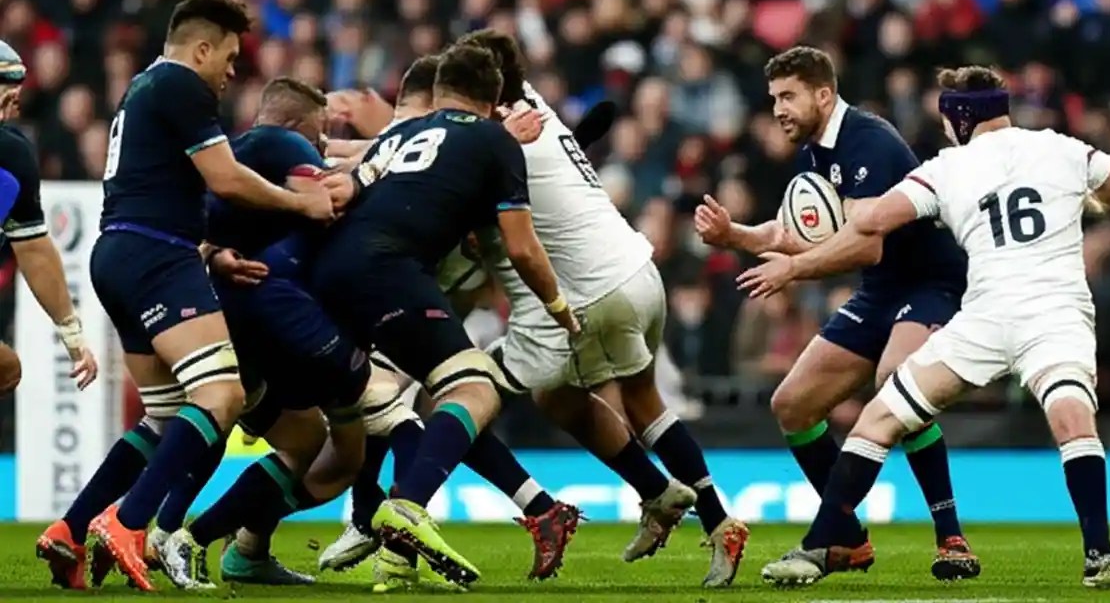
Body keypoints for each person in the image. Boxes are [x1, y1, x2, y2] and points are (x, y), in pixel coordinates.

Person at [760, 65, 1110, 589]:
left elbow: (874, 222)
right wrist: (1087, 202)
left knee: (878, 421)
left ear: (960, 119)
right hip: (1054, 314)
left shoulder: (948, 168)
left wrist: (822, 236)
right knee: (1073, 423)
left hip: (984, 319)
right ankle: (1100, 558)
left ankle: (816, 548)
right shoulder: (1060, 147)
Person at [48, 0, 333, 592]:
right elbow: (226, 180)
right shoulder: (182, 85)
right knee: (223, 395)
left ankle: (71, 530)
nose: (232, 73)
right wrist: (298, 201)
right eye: (228, 58)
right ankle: (128, 524)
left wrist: (210, 253)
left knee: (164, 415)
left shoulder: (144, 90)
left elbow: (163, 186)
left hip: (119, 252)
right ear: (201, 49)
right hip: (156, 256)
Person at [459, 29, 749, 587]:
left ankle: (650, 500)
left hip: (594, 293)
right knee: (588, 399)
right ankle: (696, 511)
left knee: (464, 394)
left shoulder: (497, 138)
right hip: (638, 270)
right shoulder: (536, 106)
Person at [697, 46, 978, 579]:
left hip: (931, 282)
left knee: (897, 380)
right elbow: (790, 233)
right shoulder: (814, 152)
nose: (777, 108)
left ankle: (950, 538)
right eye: (773, 98)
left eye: (788, 96)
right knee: (793, 405)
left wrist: (792, 271)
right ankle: (847, 540)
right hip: (881, 290)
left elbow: (864, 244)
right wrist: (733, 234)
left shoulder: (866, 142)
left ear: (823, 94)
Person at [310, 44, 577, 587]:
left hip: (329, 272)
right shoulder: (494, 139)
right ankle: (400, 511)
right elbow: (523, 249)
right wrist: (558, 307)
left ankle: (376, 546)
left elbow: (357, 175)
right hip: (392, 272)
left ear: (438, 93)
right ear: (493, 98)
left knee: (404, 400)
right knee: (476, 391)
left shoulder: (401, 134)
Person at [153, 77, 359, 589]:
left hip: (210, 312)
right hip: (266, 313)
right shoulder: (283, 143)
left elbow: (188, 230)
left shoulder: (224, 161)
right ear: (292, 123)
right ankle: (190, 538)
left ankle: (181, 534)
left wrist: (214, 255)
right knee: (339, 430)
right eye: (321, 130)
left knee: (273, 428)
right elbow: (328, 197)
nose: (324, 143)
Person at [0, 39, 98, 407]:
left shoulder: (11, 156)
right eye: (6, 100)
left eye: (14, 103)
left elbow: (35, 250)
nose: (9, 114)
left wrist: (72, 333)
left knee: (7, 370)